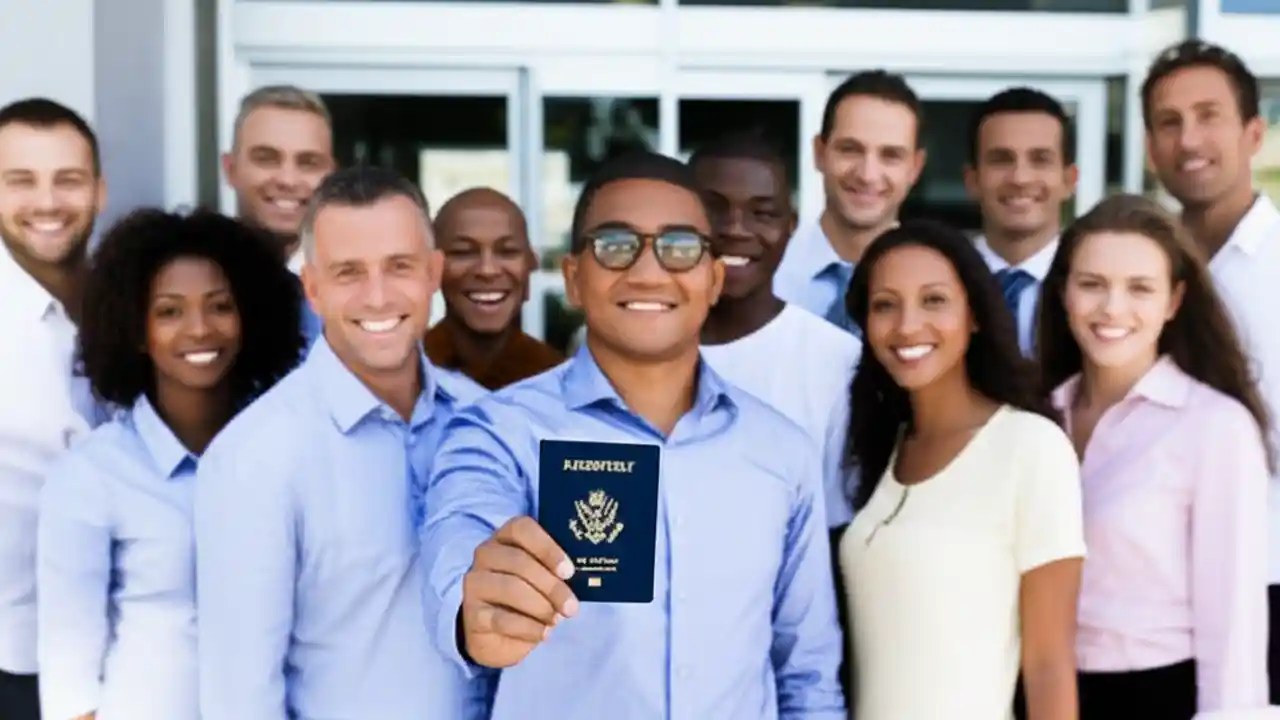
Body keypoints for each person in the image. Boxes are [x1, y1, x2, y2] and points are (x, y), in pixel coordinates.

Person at [421, 151, 847, 719]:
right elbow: (460, 544)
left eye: (680, 247)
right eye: (615, 245)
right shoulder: (499, 433)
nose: (648, 272)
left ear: (713, 278)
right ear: (573, 277)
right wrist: (477, 605)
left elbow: (807, 671)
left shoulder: (781, 451)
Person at [194, 166, 486, 720]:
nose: (377, 297)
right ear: (313, 288)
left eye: (398, 267)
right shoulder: (255, 457)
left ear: (433, 273)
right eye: (348, 272)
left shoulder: (483, 419)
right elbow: (240, 694)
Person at [36, 209, 303, 720]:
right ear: (135, 329)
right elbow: (69, 672)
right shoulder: (92, 475)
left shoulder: (287, 455)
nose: (199, 329)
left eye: (220, 306)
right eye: (169, 311)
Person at [838, 219, 1084, 719]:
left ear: (974, 314)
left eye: (933, 300)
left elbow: (1048, 664)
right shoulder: (887, 446)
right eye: (885, 304)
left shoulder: (1030, 447)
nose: (907, 325)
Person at [1037, 194, 1270, 717]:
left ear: (1173, 300)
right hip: (1039, 694)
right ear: (1063, 293)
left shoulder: (1213, 428)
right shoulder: (1033, 420)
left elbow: (1233, 623)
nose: (1112, 309)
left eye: (1139, 288)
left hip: (1154, 695)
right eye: (1092, 284)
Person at [1142, 39, 1280, 703]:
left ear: (1254, 132)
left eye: (1208, 115)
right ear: (1148, 146)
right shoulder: (1135, 276)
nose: (1188, 138)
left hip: (1270, 586)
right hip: (1151, 598)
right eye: (1169, 121)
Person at [691, 131, 862, 526]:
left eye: (762, 213)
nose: (735, 229)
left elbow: (835, 527)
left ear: (791, 226)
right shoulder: (635, 344)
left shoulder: (836, 360)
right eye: (714, 209)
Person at [0, 97, 107, 720]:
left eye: (67, 180)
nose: (47, 202)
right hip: (13, 666)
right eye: (21, 181)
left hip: (118, 666)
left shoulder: (125, 311)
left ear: (98, 189)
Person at [773, 70, 925, 335]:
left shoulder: (940, 284)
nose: (867, 175)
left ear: (915, 167)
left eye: (890, 155)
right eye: (850, 149)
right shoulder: (768, 274)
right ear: (820, 153)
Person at [964, 87, 1079, 355]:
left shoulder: (1094, 283)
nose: (1020, 178)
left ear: (1069, 180)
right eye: (1001, 160)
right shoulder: (943, 279)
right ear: (972, 180)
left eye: (1040, 160)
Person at [222, 84, 336, 342]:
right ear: (230, 169)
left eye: (308, 163)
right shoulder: (190, 285)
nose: (287, 180)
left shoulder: (356, 291)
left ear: (330, 176)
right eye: (267, 158)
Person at [425, 187, 564, 389]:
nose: (487, 270)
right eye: (463, 252)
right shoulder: (405, 377)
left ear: (531, 263)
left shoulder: (558, 381)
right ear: (433, 267)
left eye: (507, 251)